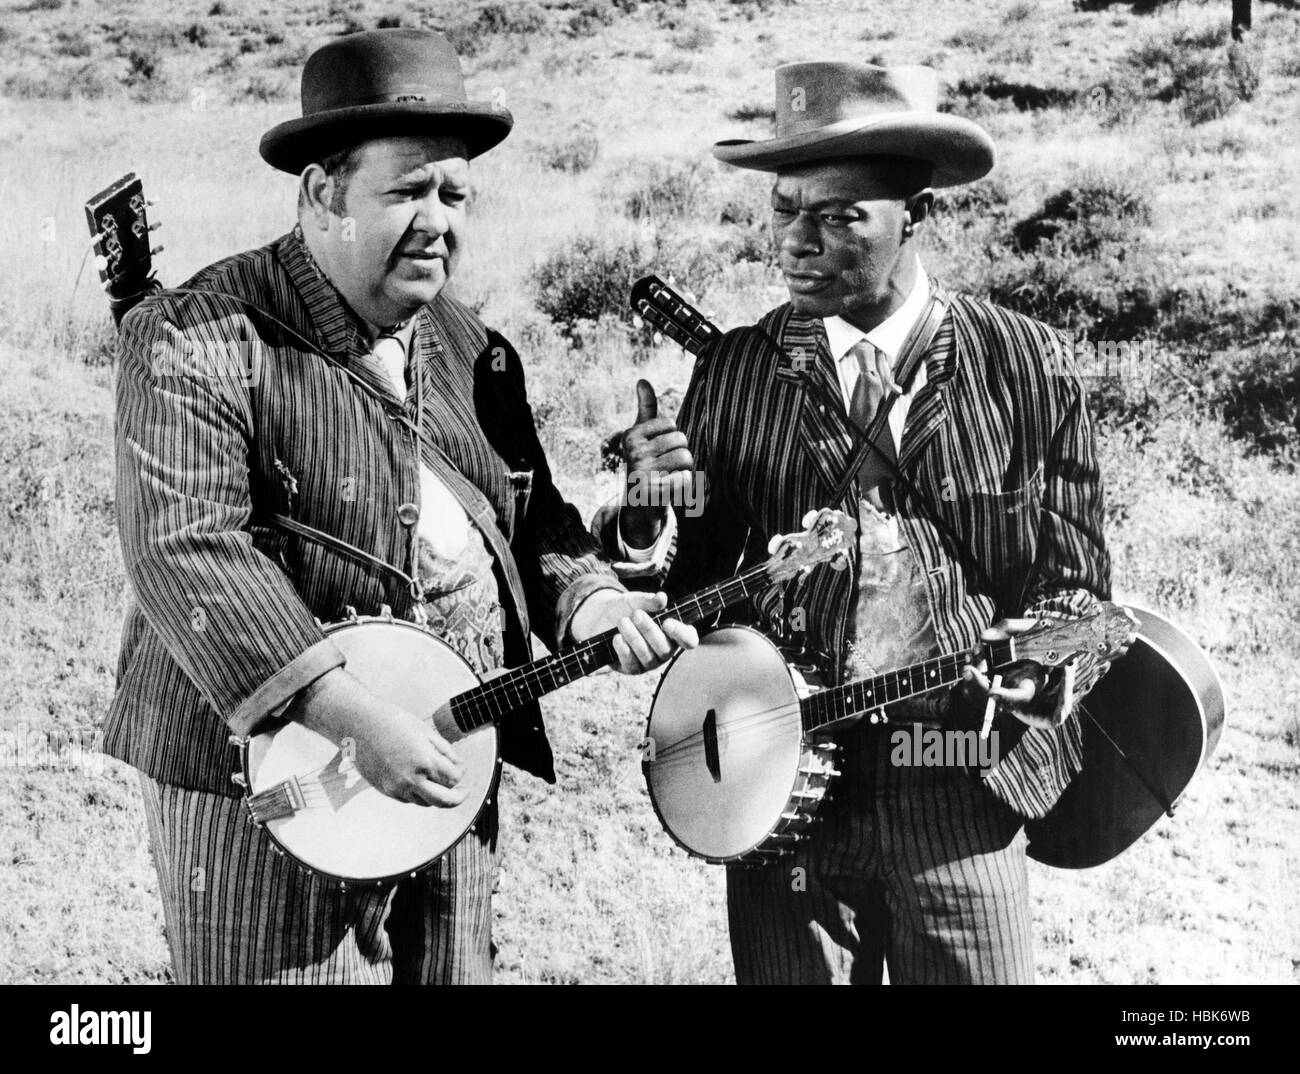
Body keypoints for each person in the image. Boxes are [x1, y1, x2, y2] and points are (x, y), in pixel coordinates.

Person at [104, 28, 695, 985]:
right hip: (268, 780)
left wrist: (594, 602)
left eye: (454, 193)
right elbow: (187, 548)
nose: (437, 221)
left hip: (452, 752)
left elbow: (529, 511)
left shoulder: (474, 347)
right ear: (321, 193)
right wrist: (345, 712)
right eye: (406, 190)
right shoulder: (198, 334)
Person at [604, 61, 1111, 984]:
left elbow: (1080, 588)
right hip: (783, 784)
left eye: (839, 217)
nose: (798, 242)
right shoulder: (737, 372)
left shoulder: (1027, 366)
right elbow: (695, 585)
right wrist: (652, 509)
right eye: (786, 210)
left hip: (957, 781)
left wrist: (1050, 664)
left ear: (915, 214)